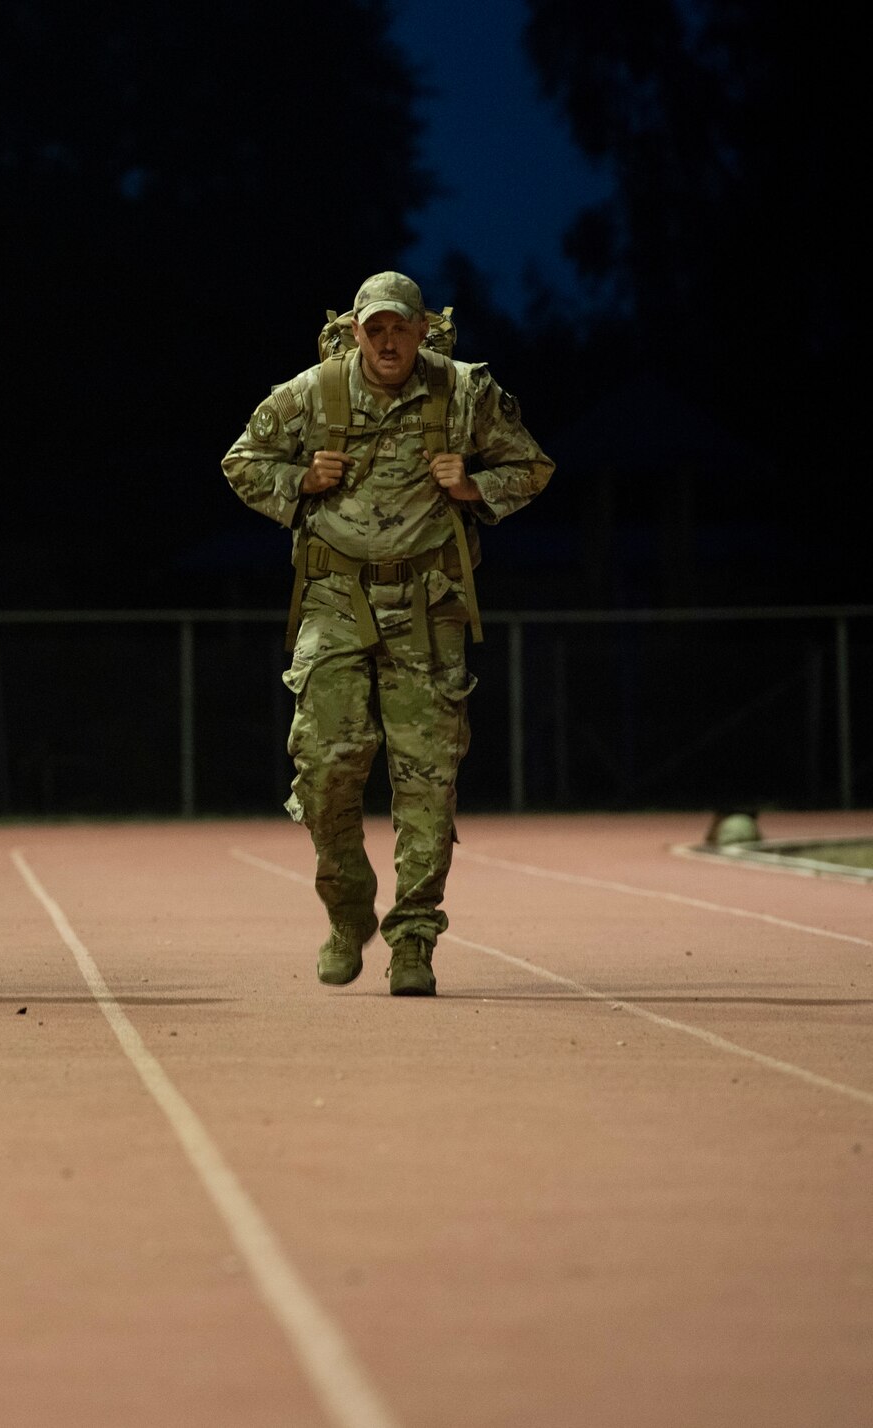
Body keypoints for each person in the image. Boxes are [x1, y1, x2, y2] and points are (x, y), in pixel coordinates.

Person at [221, 272, 552, 996]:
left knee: (427, 779)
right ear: (356, 332)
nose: (389, 340)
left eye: (401, 327)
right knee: (323, 771)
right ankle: (347, 914)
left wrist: (474, 487)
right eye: (376, 329)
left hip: (429, 608)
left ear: (422, 327)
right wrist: (301, 483)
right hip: (336, 600)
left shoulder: (464, 393)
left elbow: (531, 466)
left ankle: (414, 939)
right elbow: (241, 461)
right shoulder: (314, 392)